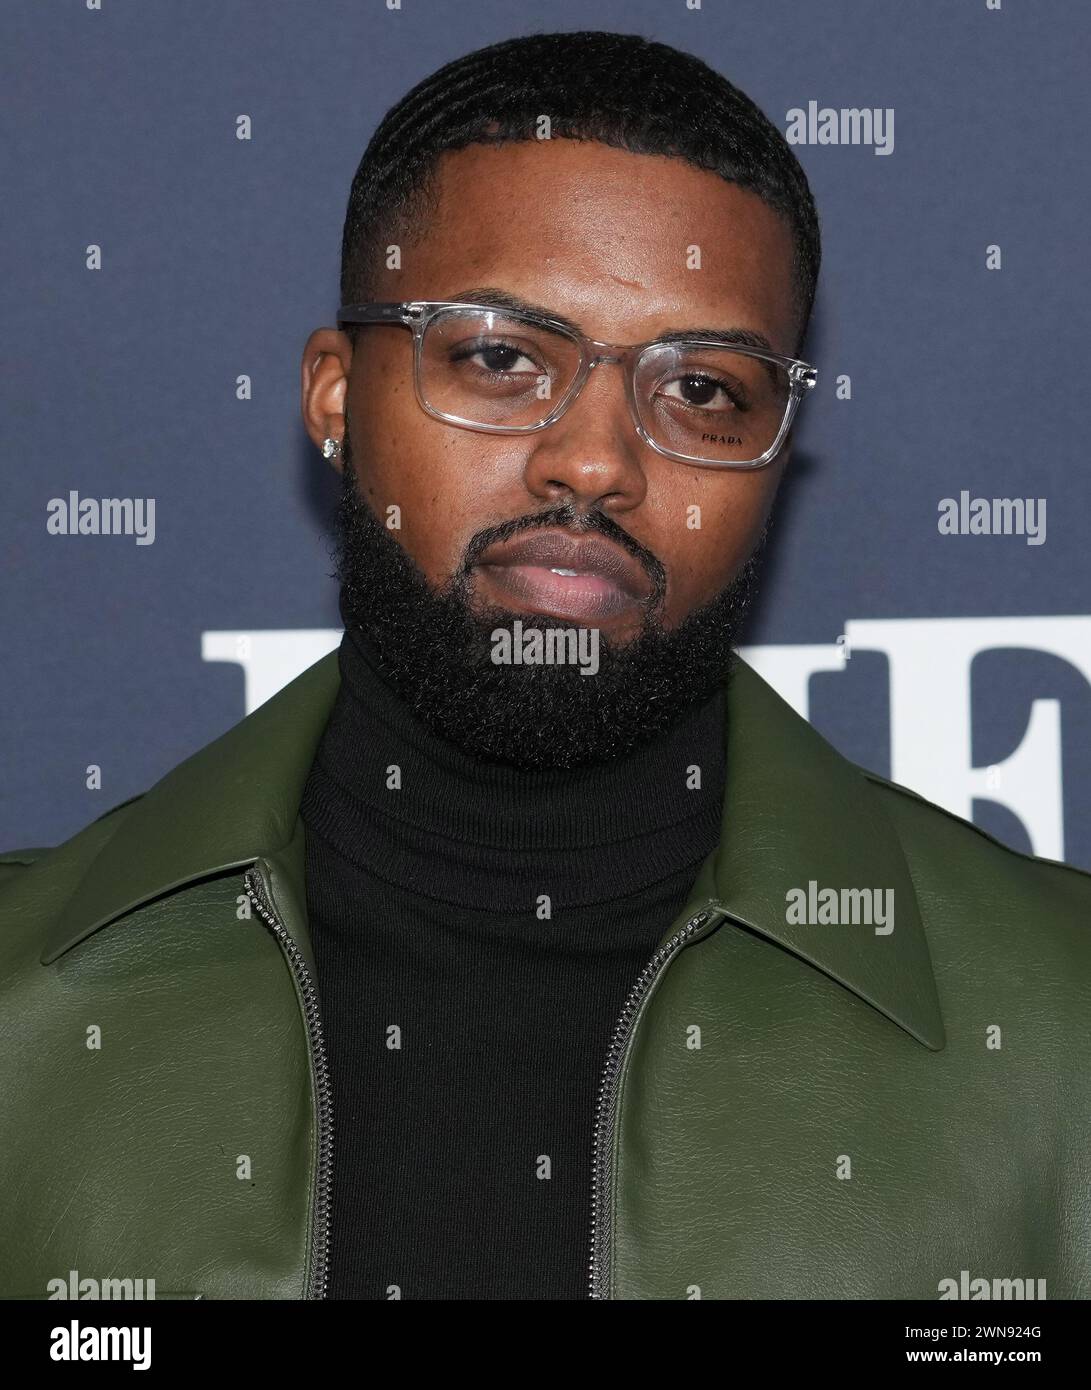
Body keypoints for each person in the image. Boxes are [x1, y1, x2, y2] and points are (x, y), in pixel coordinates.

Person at [2, 30, 1088, 1303]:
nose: (594, 461)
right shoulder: (27, 1006)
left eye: (701, 387)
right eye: (501, 358)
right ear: (335, 397)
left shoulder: (1058, 1022)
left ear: (772, 454)